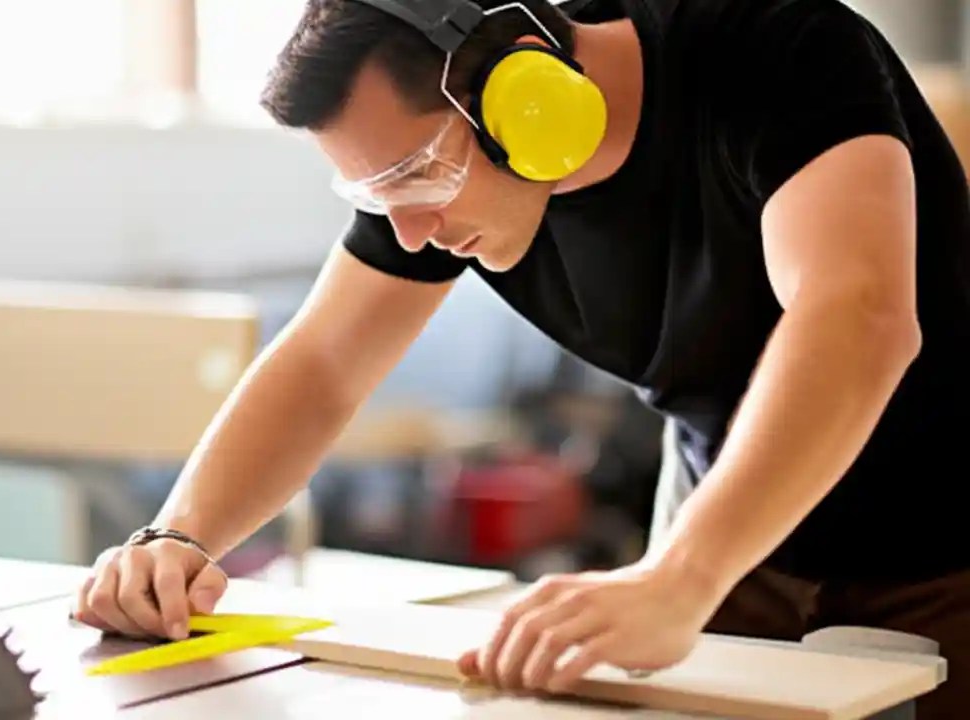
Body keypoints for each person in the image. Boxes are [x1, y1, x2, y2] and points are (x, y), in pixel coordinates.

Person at [73, 0, 969, 714]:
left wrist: (678, 576)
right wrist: (178, 538)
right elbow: (322, 365)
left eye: (415, 178)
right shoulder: (440, 183)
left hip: (942, 537)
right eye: (376, 195)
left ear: (521, 97)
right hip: (735, 534)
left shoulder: (778, 48)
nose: (410, 232)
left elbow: (858, 317)